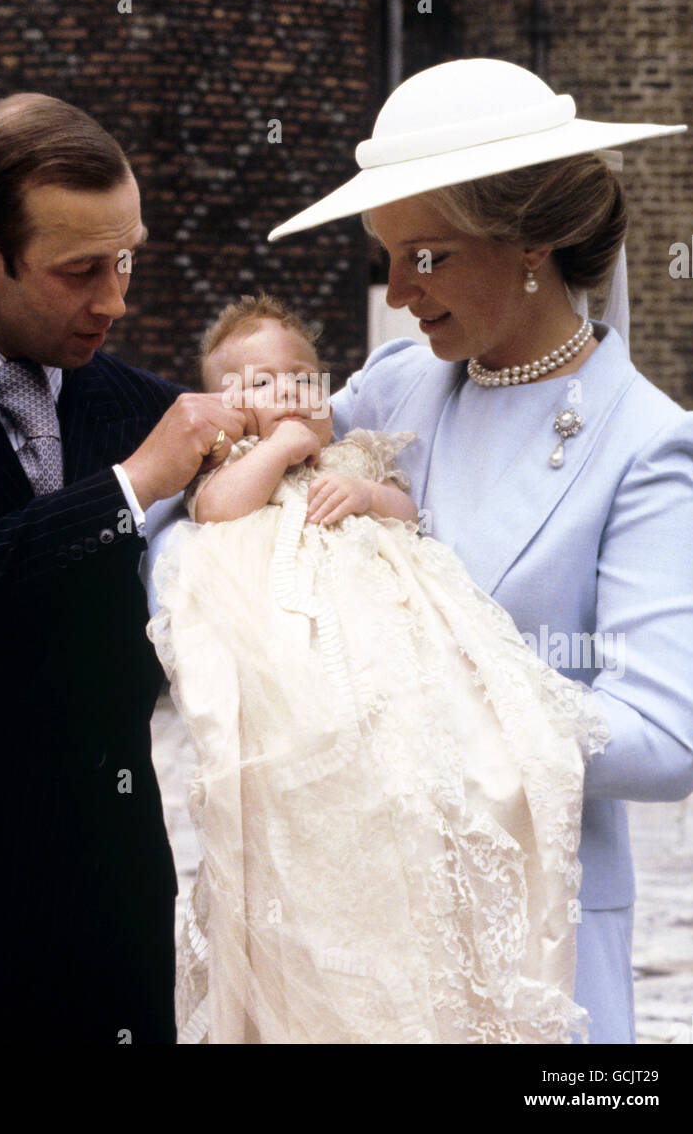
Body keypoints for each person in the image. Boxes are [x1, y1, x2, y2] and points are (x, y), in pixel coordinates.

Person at [266, 57, 693, 1043]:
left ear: (527, 246)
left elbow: (670, 741)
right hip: (366, 921)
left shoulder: (648, 444)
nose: (394, 290)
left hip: (535, 942)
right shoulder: (393, 387)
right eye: (384, 255)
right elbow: (255, 506)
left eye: (421, 256)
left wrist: (446, 690)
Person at [0, 92, 248, 1043]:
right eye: (82, 271)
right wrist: (126, 490)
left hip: (108, 929)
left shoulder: (140, 405)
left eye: (126, 259)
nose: (116, 298)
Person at [147, 292, 610, 1045]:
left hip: (384, 637)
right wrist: (276, 450)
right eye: (261, 383)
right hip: (287, 650)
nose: (290, 393)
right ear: (223, 405)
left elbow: (407, 514)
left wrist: (362, 491)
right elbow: (218, 512)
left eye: (302, 376)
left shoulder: (353, 454)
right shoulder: (231, 464)